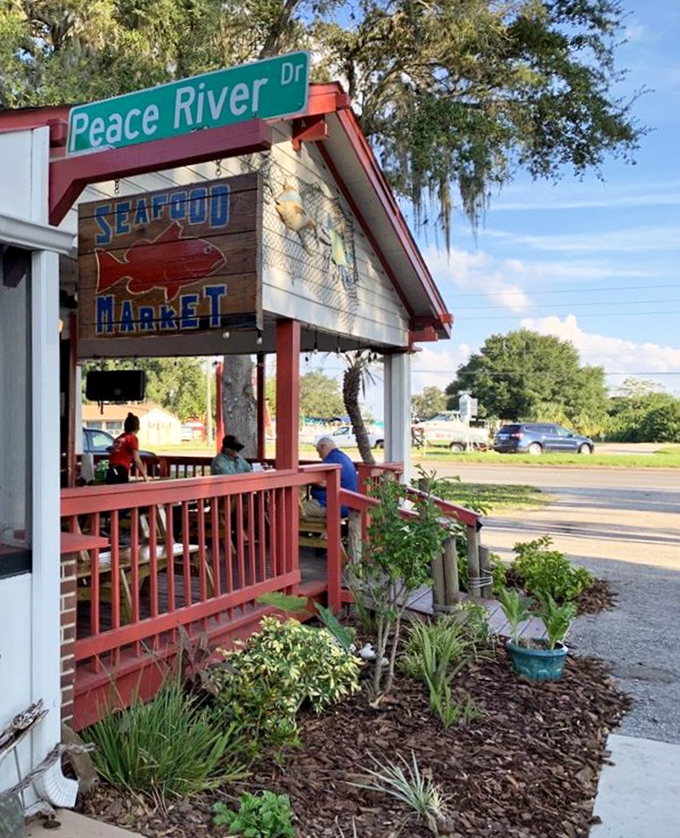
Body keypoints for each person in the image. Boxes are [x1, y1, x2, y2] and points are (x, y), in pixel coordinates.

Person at [301, 437, 358, 519]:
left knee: (295, 510)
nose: (319, 456)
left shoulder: (332, 459)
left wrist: (306, 480)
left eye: (319, 452)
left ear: (323, 446)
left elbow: (323, 482)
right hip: (346, 504)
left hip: (330, 505)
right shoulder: (342, 457)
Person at [105, 412, 148, 484]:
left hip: (111, 471)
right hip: (120, 471)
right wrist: (145, 476)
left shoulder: (118, 438)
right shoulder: (132, 438)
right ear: (137, 427)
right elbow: (136, 459)